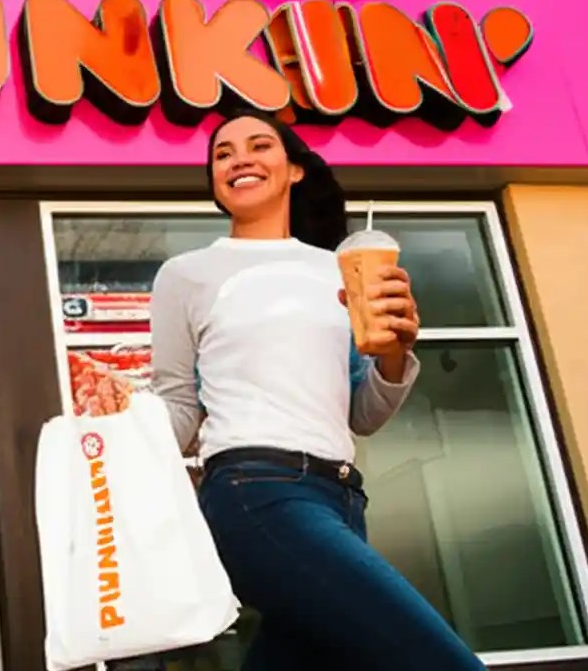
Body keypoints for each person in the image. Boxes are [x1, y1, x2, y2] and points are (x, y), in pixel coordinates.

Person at [105, 111, 485, 670]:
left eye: (259, 145)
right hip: (256, 492)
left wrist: (396, 353)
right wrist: (125, 419)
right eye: (223, 153)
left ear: (295, 170)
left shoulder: (342, 269)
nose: (239, 159)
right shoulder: (187, 275)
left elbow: (363, 413)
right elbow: (182, 408)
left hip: (343, 499)